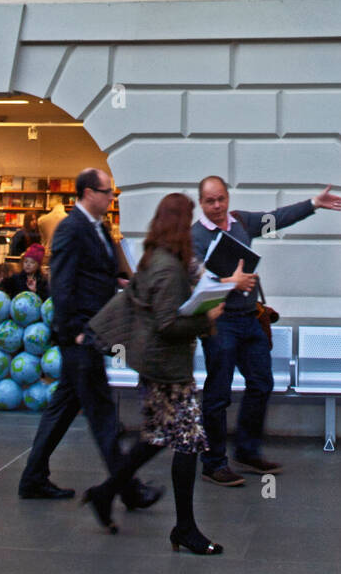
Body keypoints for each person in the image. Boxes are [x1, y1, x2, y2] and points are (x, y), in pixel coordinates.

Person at [81, 193, 250, 553]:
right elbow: (169, 324)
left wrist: (222, 286)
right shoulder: (167, 267)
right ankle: (185, 529)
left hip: (155, 366)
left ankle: (104, 493)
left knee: (157, 437)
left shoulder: (159, 258)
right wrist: (208, 318)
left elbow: (185, 286)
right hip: (167, 370)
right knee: (188, 442)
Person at [16, 167, 161, 510]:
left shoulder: (97, 228)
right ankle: (128, 489)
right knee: (102, 415)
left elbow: (93, 277)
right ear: (87, 193)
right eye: (106, 191)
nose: (111, 197)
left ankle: (32, 477)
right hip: (81, 336)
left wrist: (120, 285)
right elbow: (61, 284)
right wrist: (75, 332)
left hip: (91, 333)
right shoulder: (71, 229)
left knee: (64, 406)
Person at [193, 175, 341, 485]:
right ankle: (213, 462)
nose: (217, 205)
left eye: (221, 198)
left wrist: (313, 204)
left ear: (228, 197)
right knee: (218, 393)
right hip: (219, 322)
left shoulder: (241, 223)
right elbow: (192, 283)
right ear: (201, 202)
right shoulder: (195, 236)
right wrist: (229, 282)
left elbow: (276, 219)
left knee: (262, 382)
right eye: (210, 201)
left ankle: (247, 450)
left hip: (249, 318)